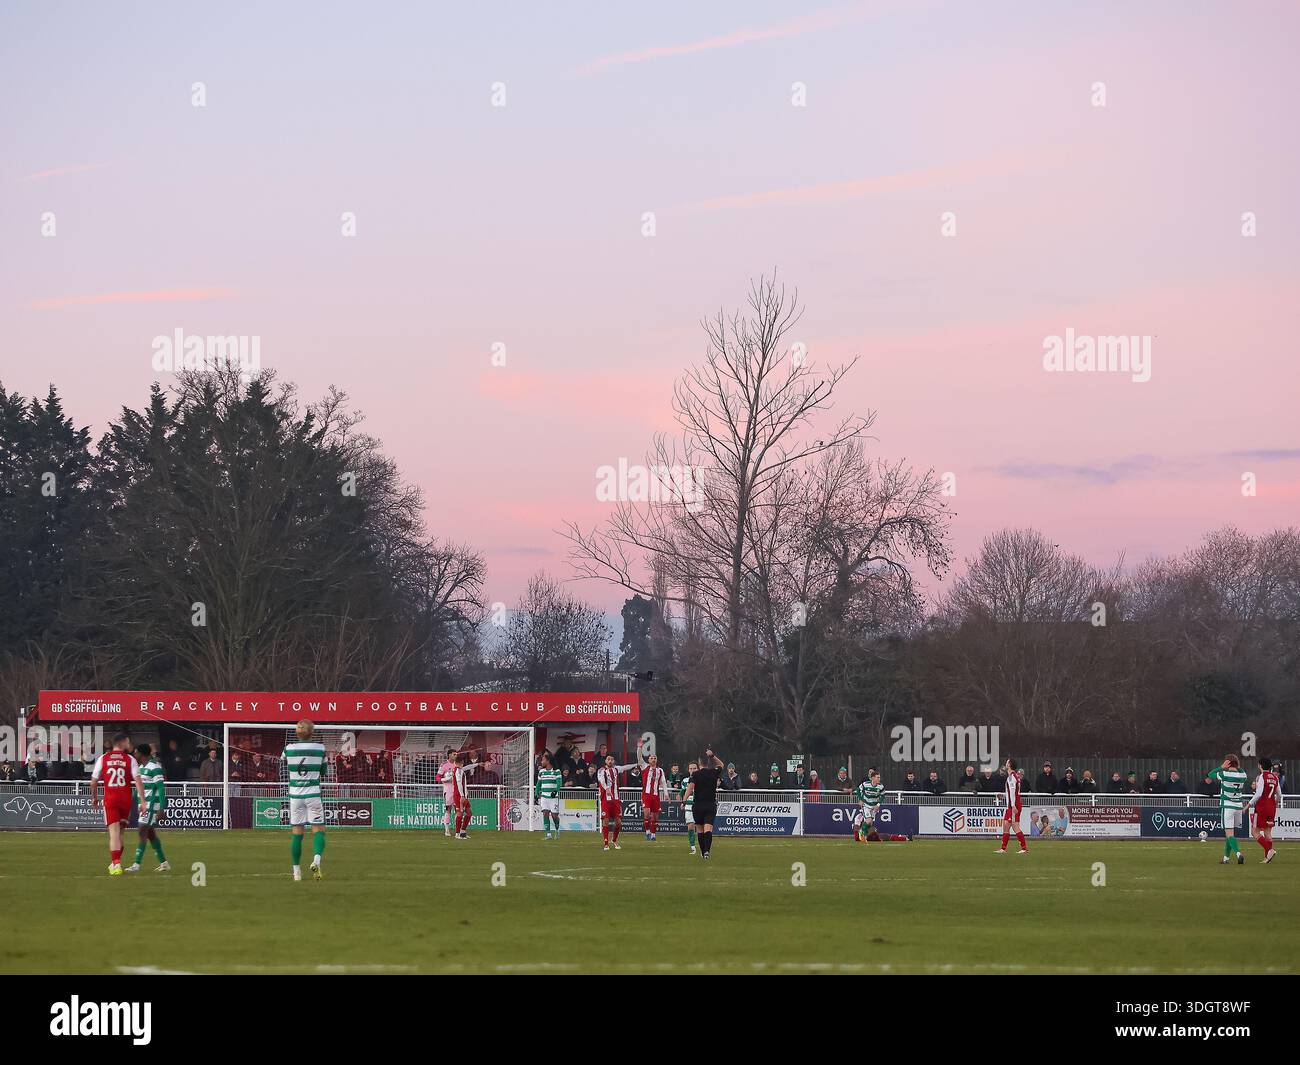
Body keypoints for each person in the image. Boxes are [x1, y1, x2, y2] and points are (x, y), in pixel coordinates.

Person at [90, 732, 146, 875]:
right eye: (127, 741)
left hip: (111, 799)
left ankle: (116, 864)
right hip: (126, 800)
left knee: (114, 833)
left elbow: (94, 781)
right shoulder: (130, 759)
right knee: (121, 833)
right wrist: (143, 801)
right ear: (122, 742)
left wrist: (94, 797)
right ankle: (115, 862)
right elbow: (138, 781)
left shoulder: (103, 758)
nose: (129, 744)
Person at [284, 720, 328, 878]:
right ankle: (316, 861)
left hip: (295, 796)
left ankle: (296, 872)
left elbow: (284, 764)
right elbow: (324, 771)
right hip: (313, 794)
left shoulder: (288, 748)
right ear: (312, 732)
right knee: (319, 830)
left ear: (297, 732)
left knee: (297, 833)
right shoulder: (320, 748)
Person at [126, 744, 169, 873]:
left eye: (136, 752)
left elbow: (161, 788)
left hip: (152, 806)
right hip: (144, 806)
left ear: (141, 754)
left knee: (141, 830)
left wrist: (162, 808)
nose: (134, 755)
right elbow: (138, 789)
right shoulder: (140, 768)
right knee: (150, 834)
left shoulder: (155, 767)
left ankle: (136, 864)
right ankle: (164, 863)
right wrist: (132, 804)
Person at [685, 748, 725, 859]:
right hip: (710, 805)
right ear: (708, 762)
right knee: (708, 829)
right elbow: (721, 764)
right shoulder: (713, 772)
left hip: (698, 806)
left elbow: (690, 788)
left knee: (700, 830)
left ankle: (703, 852)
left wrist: (684, 800)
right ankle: (707, 851)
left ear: (699, 763)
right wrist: (712, 756)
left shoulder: (695, 774)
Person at [1209, 754, 1247, 865]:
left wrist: (1221, 767)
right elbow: (1240, 770)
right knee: (1230, 834)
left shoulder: (1224, 774)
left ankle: (1238, 854)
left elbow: (1210, 774)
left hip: (1228, 806)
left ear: (1227, 763)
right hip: (1238, 806)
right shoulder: (1243, 775)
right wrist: (1236, 765)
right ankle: (1226, 858)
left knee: (1229, 834)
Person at [596, 752, 639, 851]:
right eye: (608, 759)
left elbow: (625, 767)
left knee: (618, 822)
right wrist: (607, 789)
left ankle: (614, 840)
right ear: (605, 761)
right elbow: (601, 780)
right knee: (605, 821)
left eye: (612, 759)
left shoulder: (616, 769)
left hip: (615, 799)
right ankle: (606, 843)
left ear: (614, 761)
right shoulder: (601, 770)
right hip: (606, 800)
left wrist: (636, 764)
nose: (610, 761)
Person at [1244, 757, 1281, 864]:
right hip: (1271, 807)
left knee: (1254, 831)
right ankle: (1267, 858)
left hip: (1261, 807)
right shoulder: (1275, 777)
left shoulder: (1262, 777)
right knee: (1267, 832)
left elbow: (1258, 794)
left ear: (1260, 765)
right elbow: (1279, 795)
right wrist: (1275, 803)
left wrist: (1248, 805)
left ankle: (1269, 850)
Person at [996, 758, 1027, 855]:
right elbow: (1011, 792)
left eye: (1007, 762)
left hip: (1013, 806)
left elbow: (1013, 792)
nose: (1006, 764)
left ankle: (1024, 848)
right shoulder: (1013, 776)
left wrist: (1013, 805)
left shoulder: (1011, 777)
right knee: (1006, 826)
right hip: (1010, 806)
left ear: (1009, 765)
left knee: (1015, 826)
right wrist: (1004, 796)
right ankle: (1003, 848)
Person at [639, 753, 669, 841]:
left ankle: (653, 834)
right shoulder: (644, 767)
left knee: (655, 816)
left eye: (655, 758)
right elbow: (639, 757)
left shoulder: (660, 770)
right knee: (647, 813)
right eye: (651, 758)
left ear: (657, 760)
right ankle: (647, 832)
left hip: (656, 795)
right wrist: (639, 748)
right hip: (646, 795)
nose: (653, 759)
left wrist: (666, 794)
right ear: (648, 760)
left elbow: (663, 782)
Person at [535, 751, 563, 840]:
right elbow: (538, 784)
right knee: (545, 814)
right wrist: (536, 793)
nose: (541, 762)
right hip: (544, 797)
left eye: (543, 760)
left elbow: (559, 783)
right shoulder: (541, 772)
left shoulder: (556, 771)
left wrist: (556, 791)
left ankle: (557, 830)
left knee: (554, 815)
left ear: (548, 761)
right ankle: (548, 834)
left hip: (553, 797)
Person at [681, 761, 700, 854]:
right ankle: (693, 847)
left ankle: (703, 846)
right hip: (689, 805)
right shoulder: (685, 781)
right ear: (688, 770)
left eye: (694, 768)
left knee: (700, 827)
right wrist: (682, 800)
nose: (692, 770)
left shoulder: (702, 779)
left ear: (698, 769)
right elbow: (683, 792)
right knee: (691, 826)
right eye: (691, 768)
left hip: (699, 805)